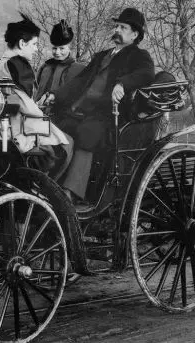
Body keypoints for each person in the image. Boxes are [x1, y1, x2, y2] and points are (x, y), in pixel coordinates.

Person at [53, 7, 156, 200]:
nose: (117, 30)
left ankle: (71, 192)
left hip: (108, 114)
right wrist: (55, 95)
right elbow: (79, 81)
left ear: (134, 34)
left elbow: (147, 74)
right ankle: (52, 185)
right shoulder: (101, 55)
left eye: (123, 27)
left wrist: (123, 84)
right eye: (116, 26)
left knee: (86, 134)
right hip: (81, 110)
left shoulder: (139, 56)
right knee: (58, 129)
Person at [0, 14, 73, 180]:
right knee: (66, 144)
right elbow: (25, 105)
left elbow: (9, 97)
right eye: (34, 44)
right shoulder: (17, 64)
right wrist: (41, 111)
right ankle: (47, 192)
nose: (36, 49)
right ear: (22, 43)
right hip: (16, 130)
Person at [35, 20, 85, 105]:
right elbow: (36, 89)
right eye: (54, 48)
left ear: (70, 48)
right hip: (39, 112)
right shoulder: (45, 67)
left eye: (62, 48)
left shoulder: (79, 69)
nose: (57, 52)